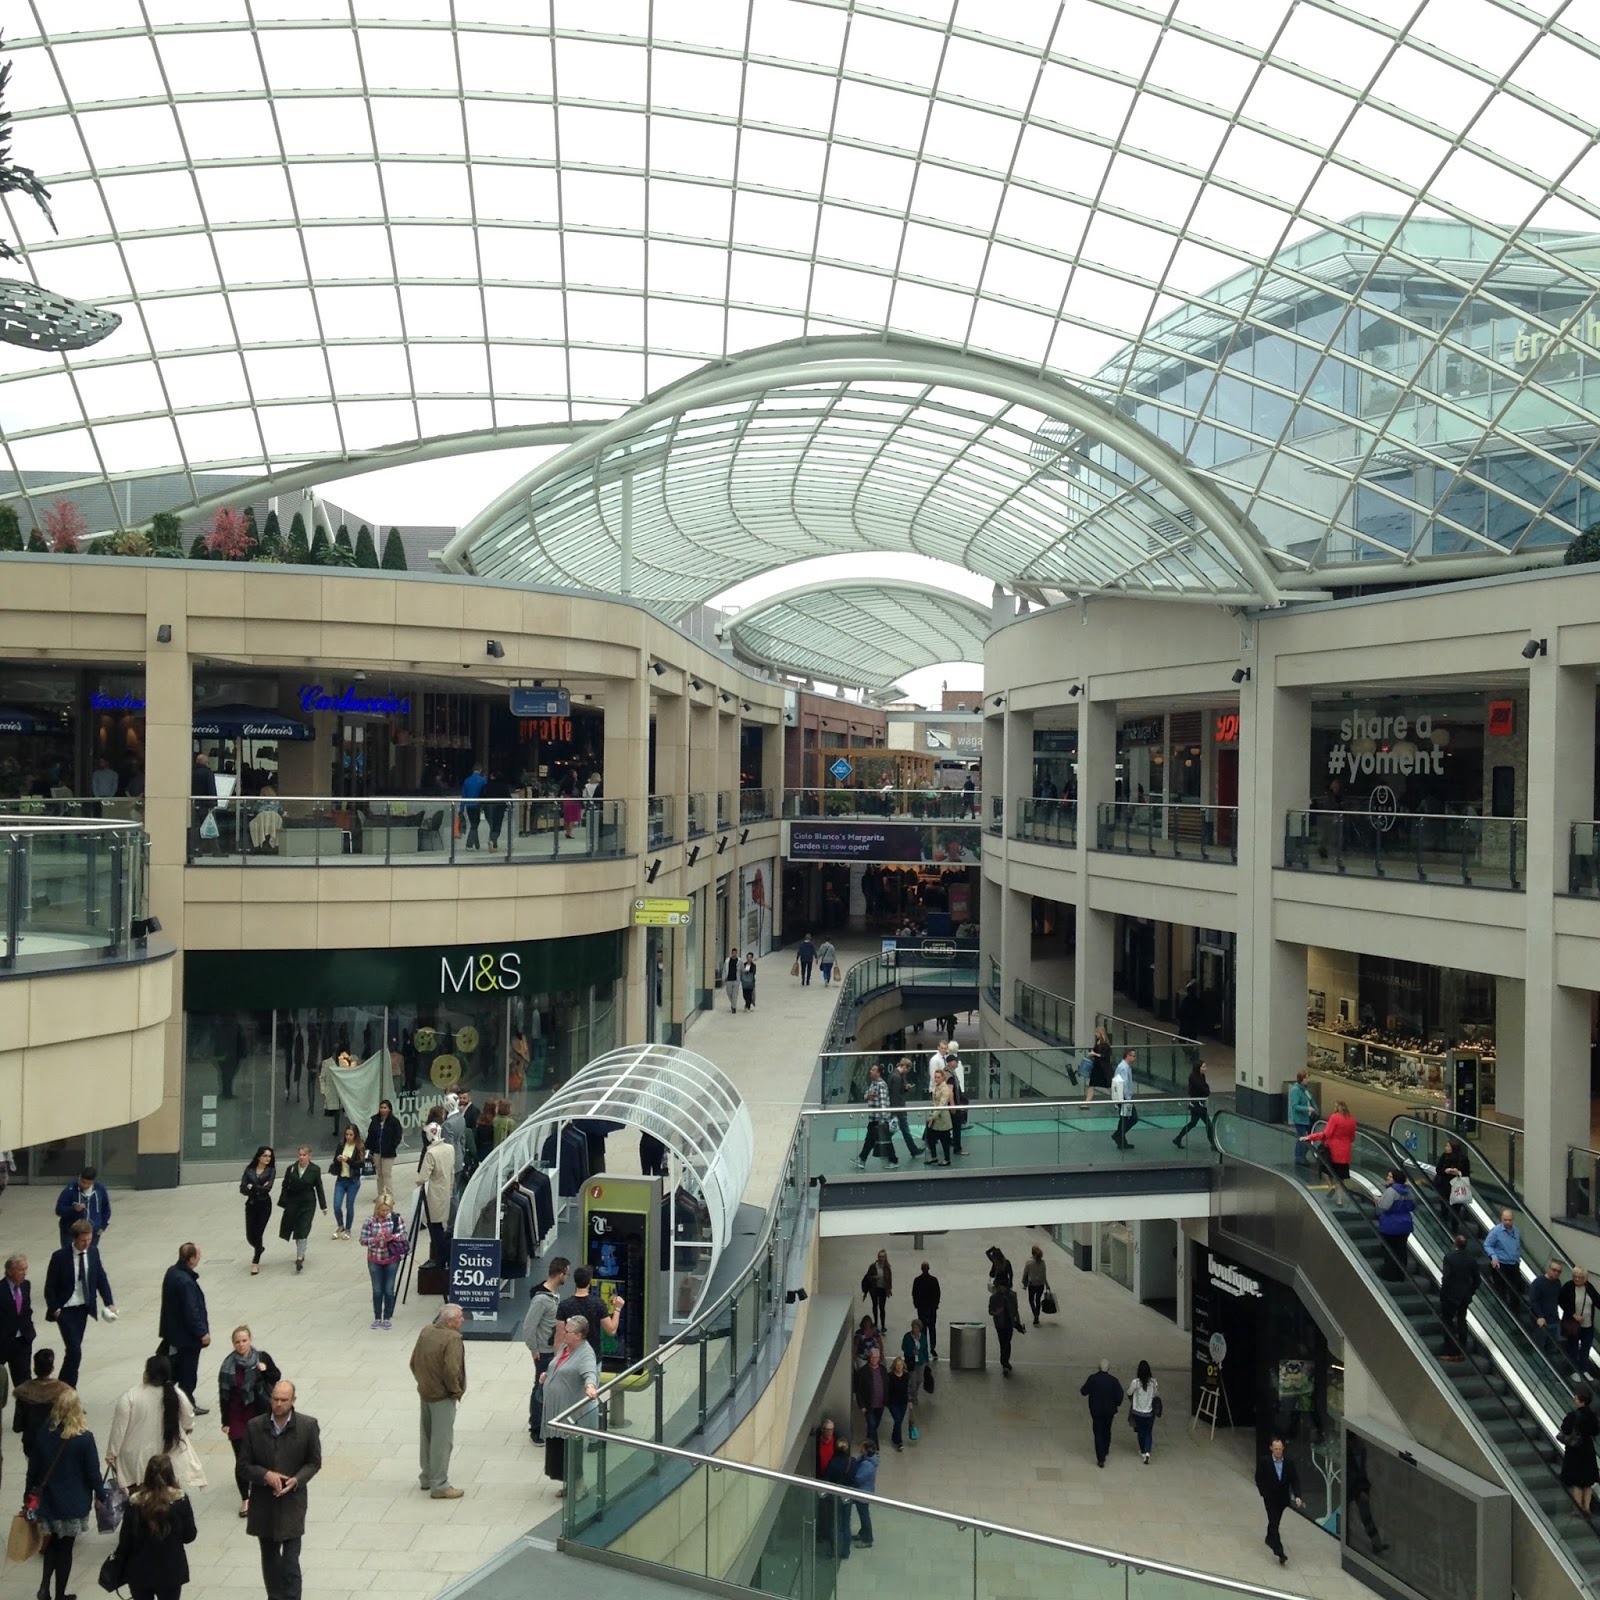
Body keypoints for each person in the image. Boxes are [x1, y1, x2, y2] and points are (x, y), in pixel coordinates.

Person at [241, 1380, 322, 1600]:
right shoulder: (255, 1426)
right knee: (270, 1560)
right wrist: (265, 1475)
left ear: (293, 1400)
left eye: (283, 1400)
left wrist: (297, 1480)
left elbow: (314, 1462)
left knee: (290, 1561)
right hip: (264, 1505)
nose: (278, 1404)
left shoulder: (307, 1426)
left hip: (292, 1504)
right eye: (275, 1399)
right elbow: (243, 1466)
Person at [27, 1388, 101, 1600]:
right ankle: (60, 1595)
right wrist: (102, 1495)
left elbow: (33, 1470)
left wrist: (28, 1496)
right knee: (65, 1548)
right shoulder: (85, 1438)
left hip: (48, 1501)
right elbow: (93, 1474)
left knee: (51, 1543)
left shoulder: (44, 1434)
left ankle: (44, 1587)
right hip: (73, 1504)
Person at [108, 1352, 202, 1492]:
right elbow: (188, 1419)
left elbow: (118, 1430)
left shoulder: (130, 1396)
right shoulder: (176, 1394)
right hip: (167, 1458)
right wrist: (187, 1428)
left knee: (138, 1498)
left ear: (147, 1373)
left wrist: (111, 1453)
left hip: (135, 1460)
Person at [111, 1455, 198, 1600]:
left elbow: (125, 1540)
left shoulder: (135, 1503)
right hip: (170, 1570)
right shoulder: (180, 1501)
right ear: (171, 1474)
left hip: (139, 1570)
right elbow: (189, 1536)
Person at [43, 1219, 114, 1390]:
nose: (87, 1243)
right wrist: (55, 1309)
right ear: (74, 1238)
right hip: (65, 1309)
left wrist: (109, 1302)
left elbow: (100, 1277)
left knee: (73, 1352)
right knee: (75, 1350)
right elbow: (50, 1286)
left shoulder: (93, 1252)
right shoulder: (60, 1257)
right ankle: (68, 1390)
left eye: (89, 1239)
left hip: (83, 1308)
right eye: (83, 1240)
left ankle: (62, 1388)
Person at [218, 1325, 279, 1520]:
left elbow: (276, 1376)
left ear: (250, 1340)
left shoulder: (261, 1357)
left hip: (259, 1414)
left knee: (263, 1454)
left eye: (244, 1340)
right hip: (237, 1415)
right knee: (242, 1459)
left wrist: (265, 1370)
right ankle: (246, 1498)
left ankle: (266, 1486)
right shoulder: (228, 1365)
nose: (241, 1344)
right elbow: (224, 1395)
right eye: (237, 1342)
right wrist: (225, 1421)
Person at [411, 1304, 467, 1499]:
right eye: (460, 1317)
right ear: (450, 1321)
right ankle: (440, 1484)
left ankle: (426, 1477)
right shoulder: (452, 1338)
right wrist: (455, 1391)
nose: (463, 1320)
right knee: (442, 1442)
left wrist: (423, 1383)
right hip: (442, 1395)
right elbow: (452, 1370)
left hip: (425, 1392)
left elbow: (413, 1361)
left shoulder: (426, 1331)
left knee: (426, 1436)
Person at [541, 1315, 600, 1497]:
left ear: (578, 1335)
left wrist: (590, 1386)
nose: (563, 1333)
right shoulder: (565, 1347)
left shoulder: (585, 1353)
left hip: (569, 1412)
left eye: (567, 1331)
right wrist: (547, 1375)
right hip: (555, 1410)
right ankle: (569, 1485)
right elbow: (557, 1367)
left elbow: (590, 1373)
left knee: (570, 1451)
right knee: (559, 1452)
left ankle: (579, 1488)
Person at [523, 1255, 571, 1444]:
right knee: (540, 1388)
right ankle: (536, 1428)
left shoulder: (553, 1296)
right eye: (566, 1274)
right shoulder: (541, 1300)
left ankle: (543, 1422)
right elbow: (528, 1327)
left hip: (553, 1349)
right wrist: (534, 1348)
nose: (567, 1277)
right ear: (560, 1274)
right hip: (543, 1351)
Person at [158, 1243, 211, 1412]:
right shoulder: (185, 1281)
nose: (200, 1257)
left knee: (175, 1367)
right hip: (186, 1337)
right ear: (192, 1259)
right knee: (188, 1371)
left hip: (173, 1333)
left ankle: (174, 1399)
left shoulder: (172, 1272)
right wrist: (202, 1332)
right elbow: (191, 1310)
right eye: (198, 1254)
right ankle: (187, 1403)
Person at [358, 1192, 408, 1331]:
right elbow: (362, 1240)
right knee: (377, 1289)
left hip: (392, 1258)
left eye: (387, 1210)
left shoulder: (397, 1219)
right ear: (377, 1209)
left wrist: (392, 1237)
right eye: (382, 1210)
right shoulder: (370, 1221)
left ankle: (387, 1317)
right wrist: (375, 1239)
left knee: (389, 1289)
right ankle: (377, 1317)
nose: (385, 1213)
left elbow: (404, 1236)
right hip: (374, 1258)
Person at [556, 1264, 622, 1362]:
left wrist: (558, 1361)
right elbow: (611, 1330)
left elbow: (559, 1338)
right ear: (590, 1282)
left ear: (575, 1281)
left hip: (571, 1358)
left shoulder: (564, 1305)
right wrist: (617, 1309)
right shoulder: (598, 1304)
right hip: (592, 1357)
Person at [276, 1145, 327, 1273]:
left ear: (309, 1156)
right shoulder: (292, 1168)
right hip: (293, 1202)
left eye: (304, 1155)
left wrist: (323, 1206)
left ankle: (300, 1257)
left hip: (308, 1203)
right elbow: (285, 1186)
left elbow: (319, 1187)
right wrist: (283, 1202)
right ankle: (300, 1251)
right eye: (300, 1155)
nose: (302, 1157)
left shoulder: (315, 1169)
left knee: (303, 1228)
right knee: (295, 1228)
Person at [1255, 1435, 1304, 1566]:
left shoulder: (1288, 1462)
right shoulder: (1264, 1461)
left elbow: (1294, 1479)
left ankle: (1269, 1537)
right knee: (1274, 1521)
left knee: (1275, 1521)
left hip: (1282, 1499)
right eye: (1276, 1449)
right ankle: (1279, 1552)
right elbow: (1259, 1478)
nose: (1278, 1451)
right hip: (1270, 1498)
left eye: (1280, 1449)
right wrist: (1263, 1493)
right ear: (1271, 1448)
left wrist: (1298, 1495)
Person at [13, 1347, 68, 1458]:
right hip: (56, 1444)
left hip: (31, 1445)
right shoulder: (62, 1391)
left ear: (34, 1368)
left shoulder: (24, 1392)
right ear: (52, 1368)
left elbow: (17, 1427)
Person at [1301, 1099, 1357, 1206]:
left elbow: (1326, 1134)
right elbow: (1352, 1138)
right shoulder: (1352, 1120)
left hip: (1332, 1151)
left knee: (1324, 1169)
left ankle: (1331, 1187)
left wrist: (1310, 1137)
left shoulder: (1334, 1117)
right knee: (1340, 1178)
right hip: (1345, 1153)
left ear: (1336, 1108)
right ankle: (1339, 1201)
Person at [416, 1122, 455, 1264]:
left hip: (433, 1194)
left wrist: (418, 1182)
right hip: (445, 1191)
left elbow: (422, 1177)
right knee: (439, 1225)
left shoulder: (431, 1153)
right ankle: (442, 1256)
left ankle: (442, 1257)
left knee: (434, 1227)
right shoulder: (450, 1148)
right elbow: (451, 1171)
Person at [1438, 1234, 1481, 1363]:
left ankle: (1450, 1350)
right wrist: (1470, 1292)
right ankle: (1462, 1349)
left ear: (1455, 1244)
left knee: (1447, 1321)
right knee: (1462, 1320)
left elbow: (1446, 1277)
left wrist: (1443, 1291)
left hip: (1451, 1295)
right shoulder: (1471, 1259)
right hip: (1465, 1296)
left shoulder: (1449, 1257)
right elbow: (1477, 1280)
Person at [1560, 1384, 1599, 1516]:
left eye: (1576, 1398)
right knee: (1587, 1482)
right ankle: (1586, 1507)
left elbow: (1565, 1428)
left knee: (1576, 1481)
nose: (1574, 1399)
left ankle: (1577, 1509)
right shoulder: (1592, 1415)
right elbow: (1595, 1431)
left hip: (1575, 1450)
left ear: (1581, 1401)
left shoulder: (1573, 1415)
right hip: (1588, 1448)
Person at [1080, 1359, 1124, 1468]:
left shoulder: (1093, 1378)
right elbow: (1119, 1395)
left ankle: (1100, 1457)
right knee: (1107, 1430)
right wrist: (1116, 1404)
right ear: (1109, 1368)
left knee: (1098, 1432)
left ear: (1098, 1367)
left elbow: (1083, 1391)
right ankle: (1105, 1449)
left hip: (1096, 1410)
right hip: (1109, 1410)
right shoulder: (1113, 1380)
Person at [54, 1165, 111, 1249]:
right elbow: (59, 1210)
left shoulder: (100, 1189)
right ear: (79, 1177)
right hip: (72, 1231)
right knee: (69, 1253)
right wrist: (73, 1209)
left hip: (93, 1230)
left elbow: (106, 1209)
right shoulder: (69, 1190)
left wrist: (102, 1226)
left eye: (89, 1183)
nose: (85, 1185)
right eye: (83, 1182)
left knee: (90, 1254)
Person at [0, 1251, 35, 1387]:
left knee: (24, 1383)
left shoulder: (26, 1286)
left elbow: (26, 1310)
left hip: (22, 1340)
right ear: (9, 1271)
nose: (24, 1273)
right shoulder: (1, 1289)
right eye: (20, 1270)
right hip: (3, 1340)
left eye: (25, 1269)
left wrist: (29, 1330)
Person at [1374, 1169, 1416, 1282]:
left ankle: (1390, 1275)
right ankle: (1401, 1275)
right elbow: (1412, 1206)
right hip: (1405, 1225)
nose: (1387, 1178)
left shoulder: (1391, 1191)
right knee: (1401, 1250)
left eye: (1390, 1176)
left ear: (1395, 1179)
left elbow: (1384, 1206)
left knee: (1390, 1250)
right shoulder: (1408, 1191)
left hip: (1391, 1225)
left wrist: (1378, 1200)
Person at [240, 1147, 275, 1276]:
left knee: (259, 1232)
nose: (267, 1159)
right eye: (265, 1156)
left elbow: (267, 1188)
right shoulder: (249, 1170)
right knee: (250, 1236)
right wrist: (256, 1188)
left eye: (269, 1156)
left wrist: (252, 1186)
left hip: (264, 1205)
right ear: (259, 1157)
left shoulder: (270, 1170)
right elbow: (242, 1188)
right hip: (251, 1204)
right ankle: (259, 1248)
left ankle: (255, 1262)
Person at [1559, 1265, 1600, 1378]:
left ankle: (1584, 1370)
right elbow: (1562, 1301)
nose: (1577, 1279)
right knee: (1573, 1348)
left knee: (1586, 1348)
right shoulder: (1568, 1286)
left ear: (1585, 1278)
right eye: (1575, 1276)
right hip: (1574, 1325)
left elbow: (1597, 1300)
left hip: (1588, 1325)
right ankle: (1573, 1371)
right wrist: (1573, 1314)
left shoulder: (1588, 1287)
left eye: (1580, 1277)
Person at [855, 1063, 897, 1169]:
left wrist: (883, 1118)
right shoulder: (873, 1083)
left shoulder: (881, 1085)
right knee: (872, 1140)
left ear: (878, 1073)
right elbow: (866, 1094)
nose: (870, 1071)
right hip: (873, 1117)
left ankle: (863, 1159)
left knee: (877, 1140)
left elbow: (883, 1102)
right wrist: (867, 1096)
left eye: (873, 1070)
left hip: (879, 1118)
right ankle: (862, 1159)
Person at [840, 1439, 878, 1554]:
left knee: (864, 1515)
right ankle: (863, 1533)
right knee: (863, 1514)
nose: (860, 1449)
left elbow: (858, 1478)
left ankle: (868, 1538)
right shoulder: (866, 1460)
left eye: (862, 1447)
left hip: (863, 1493)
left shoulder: (867, 1465)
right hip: (863, 1492)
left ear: (866, 1450)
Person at [328, 1124, 364, 1241]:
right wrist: (338, 1160)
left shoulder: (359, 1147)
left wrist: (348, 1160)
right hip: (341, 1179)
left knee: (349, 1206)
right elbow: (335, 1160)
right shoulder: (341, 1145)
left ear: (355, 1135)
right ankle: (340, 1225)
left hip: (353, 1181)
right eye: (347, 1134)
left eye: (351, 1135)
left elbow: (360, 1164)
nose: (348, 1137)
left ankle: (348, 1229)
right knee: (336, 1205)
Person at [1482, 1208, 1523, 1309]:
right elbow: (1487, 1244)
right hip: (1501, 1264)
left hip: (1513, 1264)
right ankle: (1503, 1310)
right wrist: (1494, 1257)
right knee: (1501, 1290)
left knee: (1516, 1290)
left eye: (1510, 1220)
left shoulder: (1516, 1231)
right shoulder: (1496, 1231)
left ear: (1513, 1220)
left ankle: (1515, 1311)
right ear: (1501, 1219)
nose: (1508, 1222)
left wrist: (1517, 1260)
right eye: (1505, 1220)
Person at [1174, 1061, 1218, 1152]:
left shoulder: (1201, 1076)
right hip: (1197, 1105)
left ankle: (1178, 1138)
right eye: (1203, 1067)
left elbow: (1205, 1089)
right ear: (1199, 1068)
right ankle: (1212, 1144)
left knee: (1193, 1123)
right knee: (1207, 1124)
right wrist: (1206, 1090)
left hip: (1198, 1104)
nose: (1205, 1069)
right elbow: (1204, 1090)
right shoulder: (1194, 1078)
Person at [363, 1103, 402, 1199]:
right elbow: (370, 1135)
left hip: (388, 1153)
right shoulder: (375, 1120)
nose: (383, 1109)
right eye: (381, 1107)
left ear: (389, 1109)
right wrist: (367, 1148)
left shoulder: (394, 1122)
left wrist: (393, 1146)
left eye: (385, 1108)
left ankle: (389, 1196)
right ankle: (380, 1195)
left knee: (386, 1173)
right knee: (379, 1174)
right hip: (376, 1152)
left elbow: (398, 1135)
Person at [886, 1059, 922, 1160]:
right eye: (908, 1069)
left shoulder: (895, 1075)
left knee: (897, 1129)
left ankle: (913, 1150)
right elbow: (896, 1095)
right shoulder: (897, 1077)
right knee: (904, 1130)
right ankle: (913, 1150)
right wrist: (899, 1109)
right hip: (898, 1108)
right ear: (905, 1067)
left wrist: (905, 1088)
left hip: (896, 1107)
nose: (907, 1072)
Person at [853, 1344, 887, 1443]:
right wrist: (862, 1406)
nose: (874, 1359)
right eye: (872, 1357)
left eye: (876, 1357)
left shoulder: (883, 1370)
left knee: (875, 1425)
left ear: (879, 1358)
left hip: (880, 1404)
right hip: (869, 1405)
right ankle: (873, 1446)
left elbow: (887, 1385)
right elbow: (858, 1390)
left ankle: (868, 1441)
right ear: (869, 1357)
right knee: (872, 1424)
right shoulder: (863, 1372)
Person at [1531, 1257, 1565, 1356]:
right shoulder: (1538, 1282)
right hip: (1542, 1321)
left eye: (1559, 1271)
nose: (1556, 1273)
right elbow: (1534, 1300)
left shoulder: (1557, 1283)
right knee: (1539, 1348)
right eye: (1554, 1270)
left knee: (1552, 1348)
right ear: (1549, 1269)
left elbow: (1559, 1299)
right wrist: (1540, 1316)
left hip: (1554, 1319)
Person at [989, 1275, 1022, 1377]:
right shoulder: (994, 1298)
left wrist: (1018, 1323)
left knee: (1007, 1343)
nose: (1002, 1289)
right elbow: (990, 1311)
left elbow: (1015, 1310)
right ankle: (1004, 1363)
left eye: (1003, 1287)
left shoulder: (1012, 1296)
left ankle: (1005, 1361)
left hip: (1009, 1323)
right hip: (1000, 1324)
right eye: (1000, 1287)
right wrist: (997, 1312)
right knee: (1003, 1344)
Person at [1435, 1137, 1472, 1226]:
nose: (1446, 1148)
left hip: (1457, 1188)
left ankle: (1454, 1228)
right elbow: (1438, 1169)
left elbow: (1466, 1173)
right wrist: (1445, 1170)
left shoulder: (1463, 1159)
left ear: (1453, 1148)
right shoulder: (1444, 1156)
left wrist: (1458, 1172)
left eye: (1448, 1146)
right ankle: (1444, 1227)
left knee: (1456, 1211)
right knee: (1444, 1208)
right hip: (1444, 1187)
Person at [1128, 1359, 1159, 1463]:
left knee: (1140, 1432)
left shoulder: (1136, 1382)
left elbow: (1129, 1392)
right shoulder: (1153, 1382)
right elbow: (1155, 1394)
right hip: (1149, 1412)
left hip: (1137, 1411)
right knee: (1148, 1432)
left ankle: (1142, 1450)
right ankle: (1147, 1452)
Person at [923, 1067, 954, 1166]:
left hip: (942, 1119)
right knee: (930, 1138)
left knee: (944, 1140)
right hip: (935, 1118)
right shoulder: (937, 1087)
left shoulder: (945, 1089)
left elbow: (942, 1104)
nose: (936, 1079)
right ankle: (934, 1157)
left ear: (943, 1078)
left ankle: (947, 1159)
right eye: (935, 1077)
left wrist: (931, 1117)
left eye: (938, 1077)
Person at [911, 1263, 941, 1362]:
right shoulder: (933, 1280)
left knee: (922, 1329)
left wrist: (916, 1305)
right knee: (932, 1328)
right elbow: (937, 1293)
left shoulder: (917, 1280)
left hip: (922, 1308)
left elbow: (914, 1293)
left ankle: (923, 1348)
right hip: (931, 1308)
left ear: (921, 1269)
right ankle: (932, 1347)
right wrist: (936, 1304)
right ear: (928, 1269)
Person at [1288, 1071, 1316, 1167]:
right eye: (1306, 1078)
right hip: (1300, 1119)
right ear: (1301, 1079)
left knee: (1308, 1137)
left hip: (1308, 1118)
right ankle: (1299, 1157)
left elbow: (1311, 1100)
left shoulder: (1305, 1089)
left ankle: (1302, 1155)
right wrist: (1307, 1109)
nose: (1308, 1080)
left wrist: (1315, 1110)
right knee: (1303, 1137)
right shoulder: (1295, 1090)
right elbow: (1295, 1106)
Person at [1110, 1049, 1137, 1149]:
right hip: (1125, 1097)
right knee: (1133, 1118)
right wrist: (1128, 1098)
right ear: (1127, 1056)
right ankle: (1118, 1134)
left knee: (1123, 1119)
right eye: (1133, 1056)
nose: (1134, 1058)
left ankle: (1121, 1140)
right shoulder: (1124, 1068)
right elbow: (1124, 1083)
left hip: (1122, 1096)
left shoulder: (1124, 1066)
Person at [861, 1249, 892, 1328]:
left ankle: (883, 1324)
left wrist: (889, 1289)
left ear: (885, 1257)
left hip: (883, 1289)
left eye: (883, 1257)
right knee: (875, 1305)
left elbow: (889, 1279)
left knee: (882, 1307)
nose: (881, 1258)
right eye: (880, 1256)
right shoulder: (873, 1266)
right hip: (874, 1288)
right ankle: (875, 1322)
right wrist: (874, 1277)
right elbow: (867, 1277)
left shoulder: (887, 1267)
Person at [1021, 1244, 1050, 1325]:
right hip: (1040, 1285)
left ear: (1032, 1253)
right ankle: (1037, 1314)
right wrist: (1047, 1285)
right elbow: (1044, 1276)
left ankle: (1035, 1314)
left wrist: (1023, 1282)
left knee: (1031, 1300)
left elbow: (1025, 1273)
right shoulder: (1043, 1263)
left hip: (1032, 1284)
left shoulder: (1029, 1263)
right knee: (1038, 1300)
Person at [459, 763, 486, 848]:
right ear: (480, 770)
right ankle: (469, 844)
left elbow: (463, 795)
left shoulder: (467, 780)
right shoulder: (483, 780)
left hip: (468, 805)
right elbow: (485, 793)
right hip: (478, 804)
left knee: (473, 824)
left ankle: (477, 845)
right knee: (475, 825)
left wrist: (461, 808)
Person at [1083, 1025, 1113, 1102]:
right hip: (1097, 1067)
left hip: (1103, 1068)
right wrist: (1092, 1052)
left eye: (1096, 1032)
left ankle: (1117, 1099)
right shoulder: (1098, 1042)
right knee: (1091, 1085)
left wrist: (1094, 1054)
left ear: (1100, 1033)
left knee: (1108, 1086)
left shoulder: (1105, 1045)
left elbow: (1105, 1055)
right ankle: (1087, 1102)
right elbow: (1096, 1051)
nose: (1095, 1034)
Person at [722, 947, 740, 1014]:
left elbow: (741, 969)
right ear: (731, 953)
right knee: (729, 993)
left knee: (735, 994)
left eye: (735, 953)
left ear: (737, 953)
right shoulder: (727, 961)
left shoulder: (739, 961)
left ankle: (734, 1007)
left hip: (736, 980)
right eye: (733, 953)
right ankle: (733, 1004)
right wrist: (723, 978)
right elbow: (724, 970)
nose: (734, 954)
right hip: (729, 980)